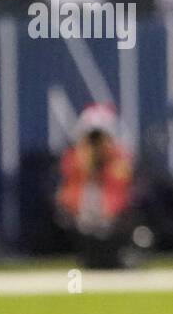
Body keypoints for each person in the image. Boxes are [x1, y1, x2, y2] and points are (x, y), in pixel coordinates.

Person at [56, 104, 133, 269]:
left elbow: (121, 182)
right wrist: (88, 156)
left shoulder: (118, 157)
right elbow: (71, 182)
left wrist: (106, 156)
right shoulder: (75, 156)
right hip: (81, 218)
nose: (97, 142)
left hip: (110, 219)